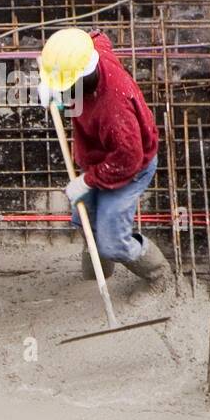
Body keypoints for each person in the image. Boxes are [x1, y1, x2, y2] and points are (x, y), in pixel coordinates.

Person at [38, 27, 171, 291]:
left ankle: (159, 276)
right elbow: (98, 36)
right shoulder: (91, 51)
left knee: (113, 241)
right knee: (83, 215)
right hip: (100, 159)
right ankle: (98, 277)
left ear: (81, 80)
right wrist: (53, 86)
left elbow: (127, 158)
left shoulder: (114, 109)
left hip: (129, 167)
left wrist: (88, 181)